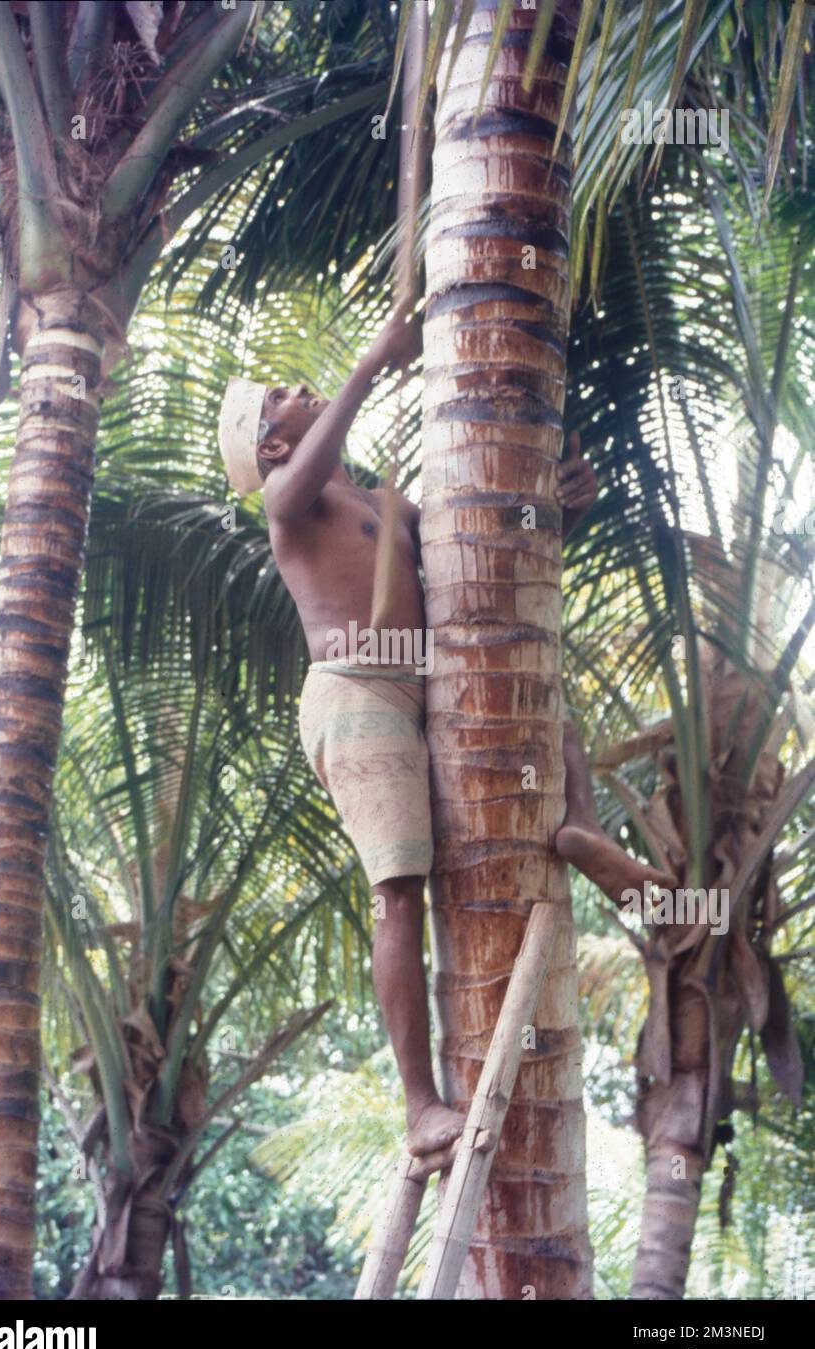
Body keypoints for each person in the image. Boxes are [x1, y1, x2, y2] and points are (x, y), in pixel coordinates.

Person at [217, 303, 674, 1159]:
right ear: (273, 444)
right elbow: (288, 486)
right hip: (358, 697)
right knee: (400, 889)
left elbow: (482, 549)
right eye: (278, 397)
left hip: (431, 681)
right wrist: (373, 359)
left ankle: (581, 824)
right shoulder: (290, 500)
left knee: (540, 694)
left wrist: (559, 511)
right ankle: (421, 1105)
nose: (295, 388)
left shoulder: (383, 501)